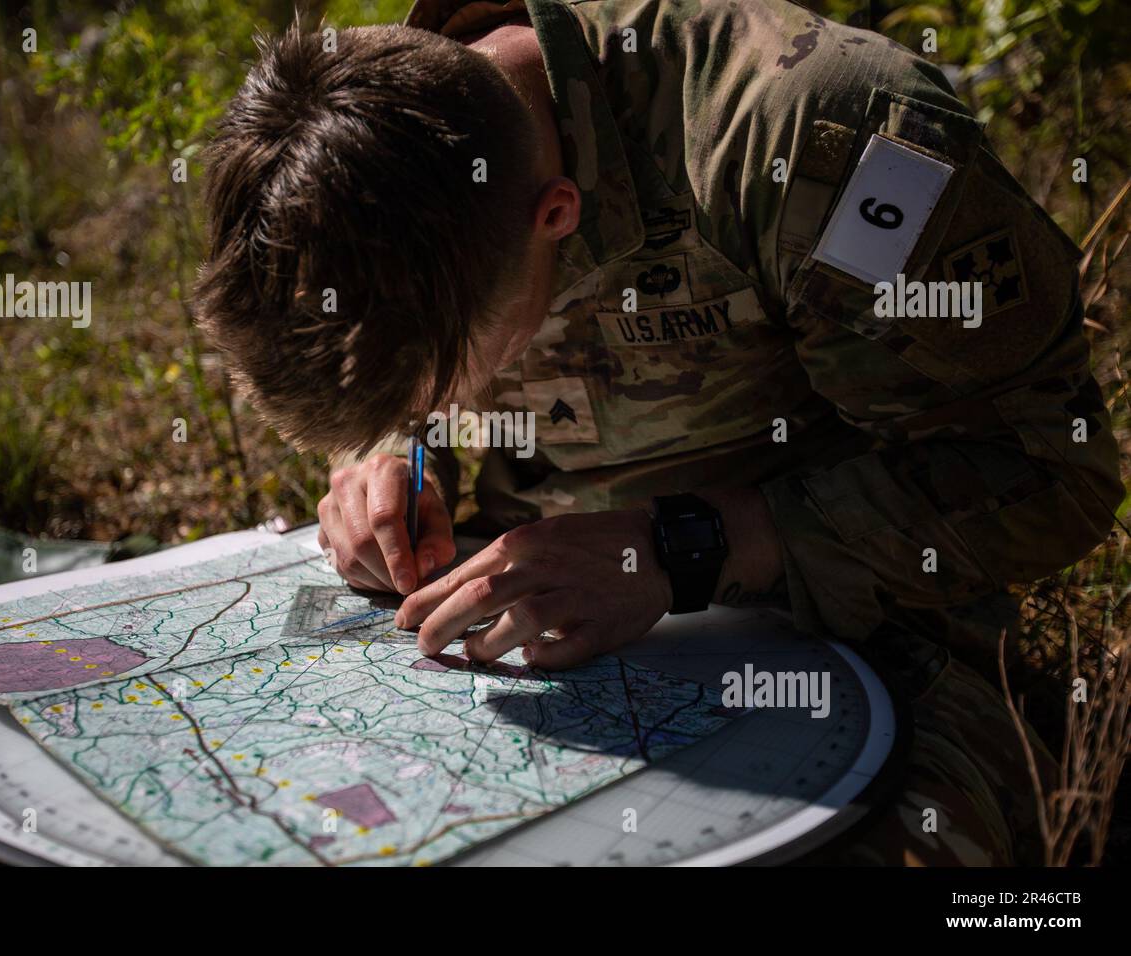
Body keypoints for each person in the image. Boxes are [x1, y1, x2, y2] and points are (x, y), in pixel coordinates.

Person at [194, 0, 1122, 863]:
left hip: (865, 658)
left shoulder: (821, 142)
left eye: (434, 387)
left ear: (555, 218)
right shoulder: (379, 150)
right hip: (534, 654)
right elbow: (398, 369)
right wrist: (388, 459)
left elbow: (1044, 469)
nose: (426, 408)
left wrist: (682, 548)